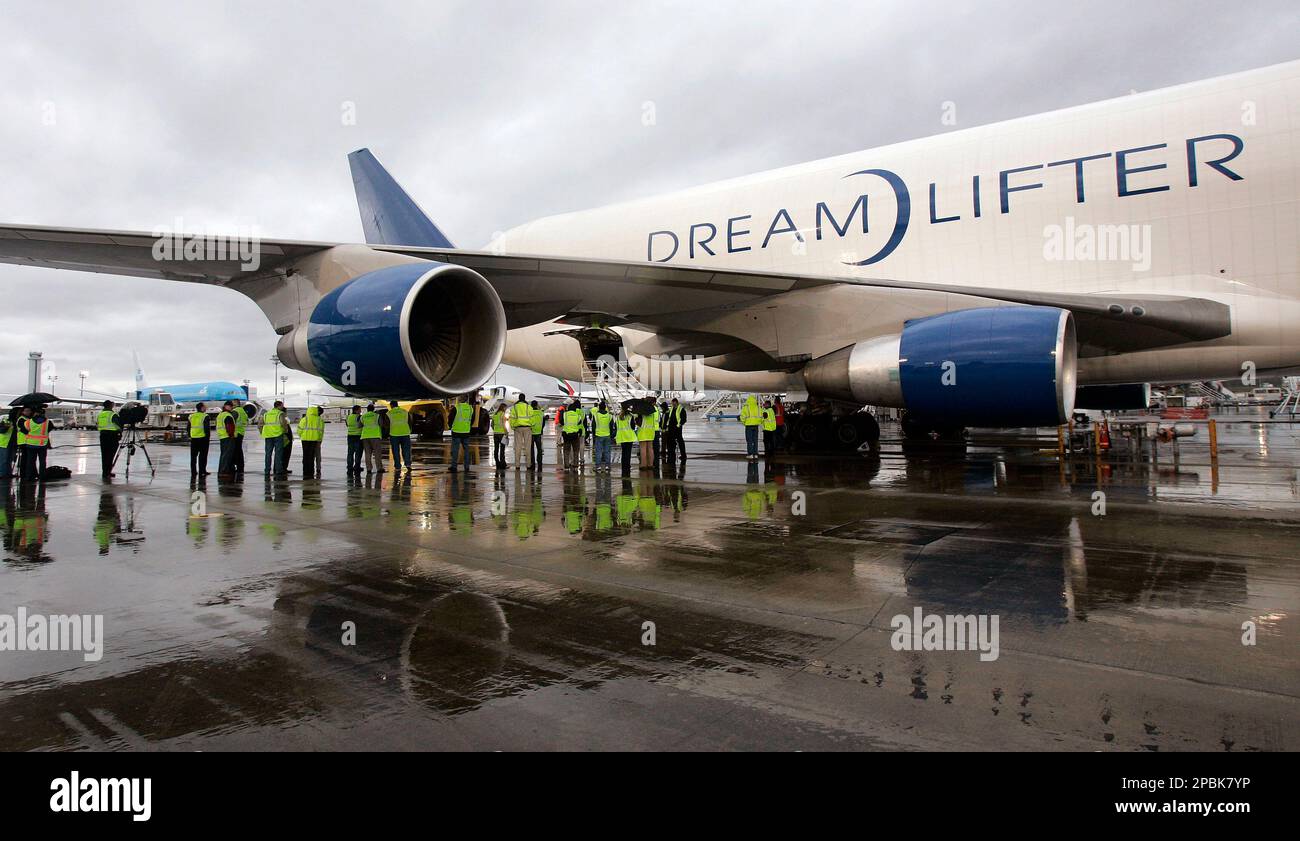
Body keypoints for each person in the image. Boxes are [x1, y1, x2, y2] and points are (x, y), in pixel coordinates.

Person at [21, 406, 50, 482]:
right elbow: (49, 429)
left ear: (34, 413)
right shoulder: (47, 422)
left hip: (31, 444)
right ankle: (42, 476)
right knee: (42, 461)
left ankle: (29, 477)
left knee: (30, 461)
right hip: (42, 444)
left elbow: (23, 430)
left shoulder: (28, 422)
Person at [448, 394, 474, 473]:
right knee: (466, 450)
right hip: (466, 432)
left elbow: (450, 419)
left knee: (455, 450)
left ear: (459, 399)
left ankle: (454, 466)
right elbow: (472, 420)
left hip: (456, 432)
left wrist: (450, 426)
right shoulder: (470, 408)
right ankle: (466, 467)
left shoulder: (456, 408)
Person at [261, 400, 287, 477]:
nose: (283, 407)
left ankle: (267, 470)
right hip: (278, 435)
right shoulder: (280, 414)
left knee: (268, 454)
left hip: (268, 435)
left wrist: (262, 432)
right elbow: (283, 424)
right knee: (278, 454)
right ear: (279, 406)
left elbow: (261, 424)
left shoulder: (266, 414)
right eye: (282, 405)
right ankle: (278, 470)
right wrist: (285, 431)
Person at [298, 405, 324, 478]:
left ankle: (305, 471)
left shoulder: (304, 419)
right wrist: (319, 440)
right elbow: (321, 432)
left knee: (305, 456)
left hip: (305, 440)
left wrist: (302, 436)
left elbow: (299, 430)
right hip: (315, 440)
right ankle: (311, 472)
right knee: (312, 456)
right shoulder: (319, 420)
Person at [96, 400, 120, 478]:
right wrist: (120, 431)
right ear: (110, 405)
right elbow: (117, 425)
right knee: (110, 455)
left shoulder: (100, 414)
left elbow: (98, 424)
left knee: (104, 455)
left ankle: (105, 473)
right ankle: (108, 472)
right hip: (112, 436)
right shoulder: (112, 414)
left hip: (103, 435)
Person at [188, 402, 213, 476]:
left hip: (194, 438)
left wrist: (190, 435)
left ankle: (193, 471)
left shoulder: (191, 416)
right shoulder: (205, 416)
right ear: (202, 408)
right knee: (203, 456)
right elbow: (207, 429)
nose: (206, 408)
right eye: (205, 407)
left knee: (193, 457)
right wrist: (208, 437)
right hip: (203, 439)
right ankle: (202, 471)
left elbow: (188, 427)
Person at [388, 400, 412, 472]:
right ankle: (408, 464)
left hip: (394, 434)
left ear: (391, 405)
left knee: (395, 450)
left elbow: (386, 424)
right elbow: (410, 421)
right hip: (405, 433)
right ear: (397, 404)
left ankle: (398, 466)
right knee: (406, 450)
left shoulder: (389, 413)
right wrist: (409, 430)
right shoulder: (405, 411)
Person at [360, 403, 384, 474]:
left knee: (368, 453)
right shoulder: (377, 416)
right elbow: (381, 424)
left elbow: (359, 425)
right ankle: (379, 468)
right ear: (373, 409)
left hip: (365, 436)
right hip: (375, 436)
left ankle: (369, 469)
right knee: (377, 453)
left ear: (367, 409)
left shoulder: (363, 416)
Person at [216, 401, 238, 477]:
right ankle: (225, 470)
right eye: (231, 406)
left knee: (223, 454)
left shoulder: (220, 415)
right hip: (228, 437)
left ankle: (222, 469)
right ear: (226, 406)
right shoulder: (227, 416)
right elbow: (229, 427)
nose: (232, 408)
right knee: (227, 455)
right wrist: (231, 435)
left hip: (222, 437)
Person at [510, 394, 531, 470]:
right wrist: (531, 425)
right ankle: (528, 465)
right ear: (524, 398)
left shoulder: (514, 407)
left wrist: (513, 427)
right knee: (527, 447)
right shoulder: (528, 407)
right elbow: (532, 418)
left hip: (518, 428)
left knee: (517, 447)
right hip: (527, 428)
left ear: (519, 398)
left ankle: (517, 465)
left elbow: (511, 418)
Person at [561, 400, 584, 470]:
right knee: (576, 451)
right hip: (574, 435)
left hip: (566, 435)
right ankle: (576, 466)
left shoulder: (565, 414)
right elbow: (580, 424)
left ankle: (566, 466)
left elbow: (562, 422)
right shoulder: (577, 415)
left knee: (566, 451)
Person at [663, 397, 687, 463]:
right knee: (671, 442)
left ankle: (683, 455)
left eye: (674, 403)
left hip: (677, 428)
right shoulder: (671, 409)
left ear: (677, 403)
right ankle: (671, 454)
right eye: (672, 403)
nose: (673, 404)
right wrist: (666, 426)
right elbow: (668, 417)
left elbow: (684, 419)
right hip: (671, 427)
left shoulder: (681, 409)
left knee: (680, 442)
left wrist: (679, 425)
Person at [591, 401, 613, 472]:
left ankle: (598, 466)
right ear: (605, 408)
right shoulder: (609, 416)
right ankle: (607, 466)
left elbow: (593, 426)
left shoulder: (596, 415)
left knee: (598, 451)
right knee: (607, 451)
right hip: (607, 435)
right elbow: (611, 426)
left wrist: (594, 435)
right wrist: (611, 434)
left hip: (598, 435)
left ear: (599, 407)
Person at [233, 403, 254, 476]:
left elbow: (232, 422)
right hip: (241, 432)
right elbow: (247, 421)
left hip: (235, 433)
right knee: (239, 450)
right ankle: (240, 466)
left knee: (235, 450)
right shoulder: (243, 412)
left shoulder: (235, 411)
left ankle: (236, 466)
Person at [615, 407, 637, 473]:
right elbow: (633, 427)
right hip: (629, 436)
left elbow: (616, 426)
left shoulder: (618, 417)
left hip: (621, 436)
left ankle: (623, 465)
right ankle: (627, 465)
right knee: (628, 452)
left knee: (624, 452)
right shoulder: (630, 416)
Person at [740, 394, 762, 460]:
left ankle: (750, 454)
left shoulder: (746, 407)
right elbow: (761, 417)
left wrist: (744, 423)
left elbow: (742, 417)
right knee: (755, 440)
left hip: (749, 426)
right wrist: (758, 422)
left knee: (749, 440)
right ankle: (755, 454)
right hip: (756, 426)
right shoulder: (758, 407)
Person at [344, 405, 363, 474]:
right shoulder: (359, 417)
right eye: (359, 410)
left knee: (350, 452)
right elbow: (361, 425)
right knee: (358, 452)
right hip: (358, 436)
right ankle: (357, 466)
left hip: (350, 436)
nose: (360, 411)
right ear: (356, 410)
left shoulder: (348, 417)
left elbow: (347, 424)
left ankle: (349, 466)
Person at [491, 402, 508, 469]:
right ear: (503, 408)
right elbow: (504, 425)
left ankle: (497, 463)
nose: (506, 409)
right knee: (502, 449)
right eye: (505, 408)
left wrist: (495, 429)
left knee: (496, 449)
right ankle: (503, 464)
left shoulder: (495, 414)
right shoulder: (502, 414)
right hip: (502, 434)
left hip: (496, 434)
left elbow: (492, 424)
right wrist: (506, 433)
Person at [0, 409, 15, 481]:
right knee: (4, 459)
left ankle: (8, 473)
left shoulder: (16, 420)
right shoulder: (6, 419)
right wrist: (6, 426)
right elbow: (2, 430)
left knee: (10, 459)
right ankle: (2, 474)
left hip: (12, 442)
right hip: (4, 442)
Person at [529, 400, 544, 469]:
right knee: (539, 449)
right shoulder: (541, 412)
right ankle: (539, 461)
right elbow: (543, 422)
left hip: (531, 432)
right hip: (538, 432)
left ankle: (532, 462)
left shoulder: (529, 412)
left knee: (531, 449)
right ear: (537, 405)